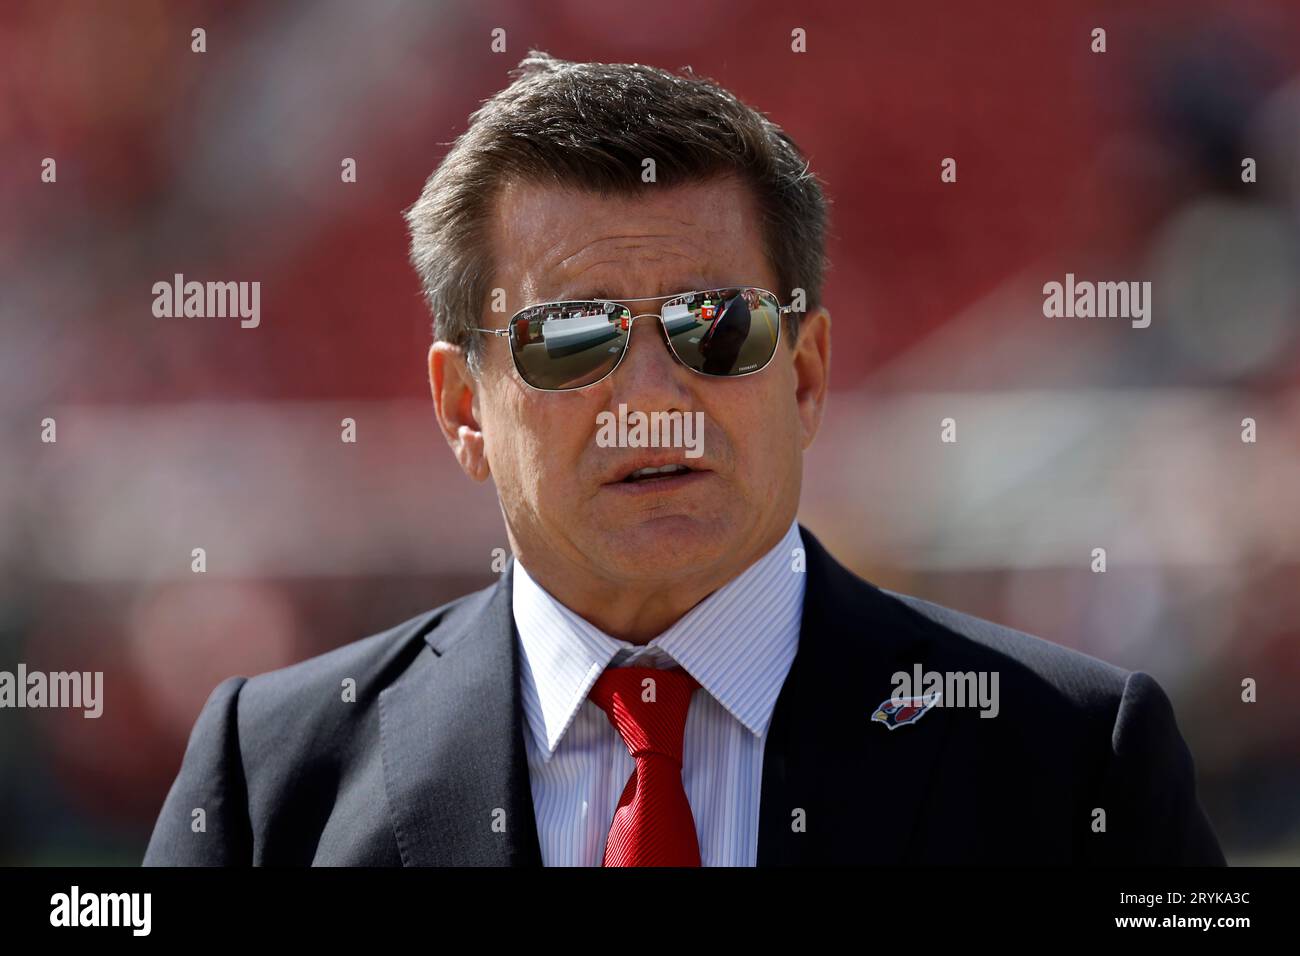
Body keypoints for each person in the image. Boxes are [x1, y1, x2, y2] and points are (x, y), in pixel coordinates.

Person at [143, 51, 1225, 866]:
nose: (653, 399)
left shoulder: (1075, 755)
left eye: (718, 328)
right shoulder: (270, 778)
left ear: (802, 377)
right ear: (464, 406)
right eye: (572, 337)